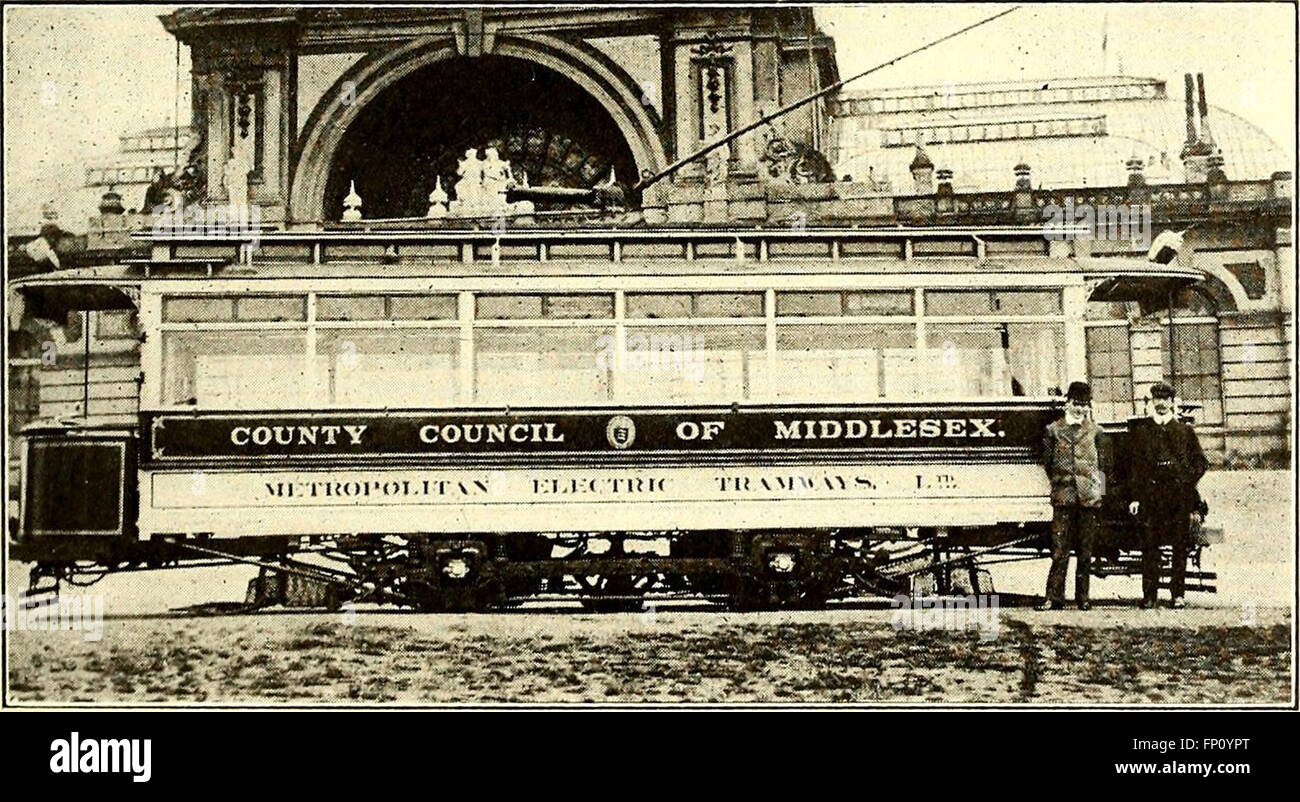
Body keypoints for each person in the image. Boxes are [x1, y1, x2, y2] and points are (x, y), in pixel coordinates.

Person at [1126, 381, 1208, 609]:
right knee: (1149, 547)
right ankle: (1149, 595)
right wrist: (1135, 497)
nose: (1161, 404)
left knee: (1179, 547)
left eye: (1165, 399)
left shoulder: (1184, 432)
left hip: (1178, 499)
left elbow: (1201, 463)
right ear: (1152, 402)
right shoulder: (1142, 432)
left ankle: (1177, 595)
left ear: (1172, 402)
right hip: (1151, 498)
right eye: (1157, 399)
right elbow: (1135, 468)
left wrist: (1185, 482)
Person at [1037, 381, 1107, 611]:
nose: (1079, 409)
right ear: (1067, 403)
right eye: (1076, 404)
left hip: (1089, 500)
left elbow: (1104, 467)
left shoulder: (1096, 432)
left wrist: (1099, 494)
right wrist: (1060, 485)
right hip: (1064, 498)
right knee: (1059, 551)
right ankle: (1054, 597)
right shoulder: (1053, 431)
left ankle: (1082, 598)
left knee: (1086, 552)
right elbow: (1048, 464)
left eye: (1084, 405)